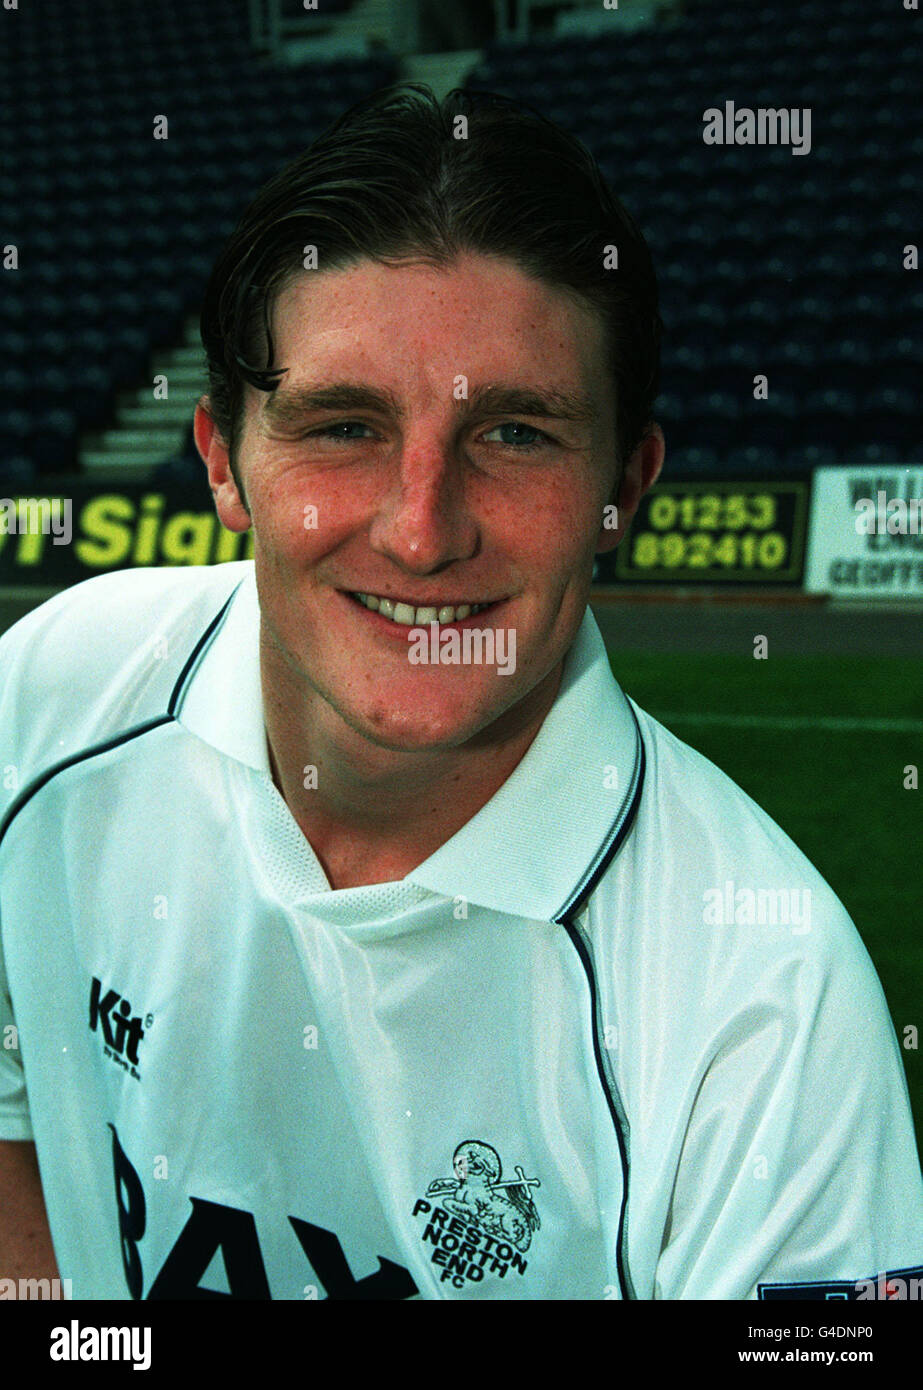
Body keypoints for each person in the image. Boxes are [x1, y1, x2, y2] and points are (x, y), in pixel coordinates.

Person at [0, 84, 920, 1301]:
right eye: (342, 424)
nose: (421, 532)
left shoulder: (770, 1006)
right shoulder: (56, 690)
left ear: (622, 486)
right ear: (223, 458)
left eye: (516, 435)